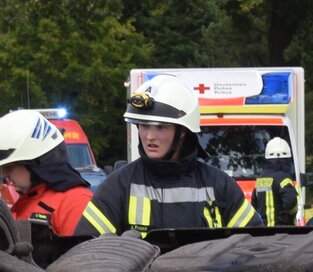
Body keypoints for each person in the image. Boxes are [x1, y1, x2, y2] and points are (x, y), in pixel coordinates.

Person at [90, 74, 252, 230]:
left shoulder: (220, 185)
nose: (150, 136)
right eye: (144, 126)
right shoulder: (118, 186)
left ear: (182, 131)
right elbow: (88, 245)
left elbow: (254, 243)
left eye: (160, 127)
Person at [0, 109, 117, 241]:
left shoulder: (76, 204)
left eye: (10, 167)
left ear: (36, 163)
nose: (4, 174)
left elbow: (88, 254)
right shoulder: (29, 200)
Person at [250, 136, 301, 226]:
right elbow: (291, 202)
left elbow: (254, 204)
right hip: (281, 230)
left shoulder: (260, 179)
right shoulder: (284, 178)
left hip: (262, 230)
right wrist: (287, 215)